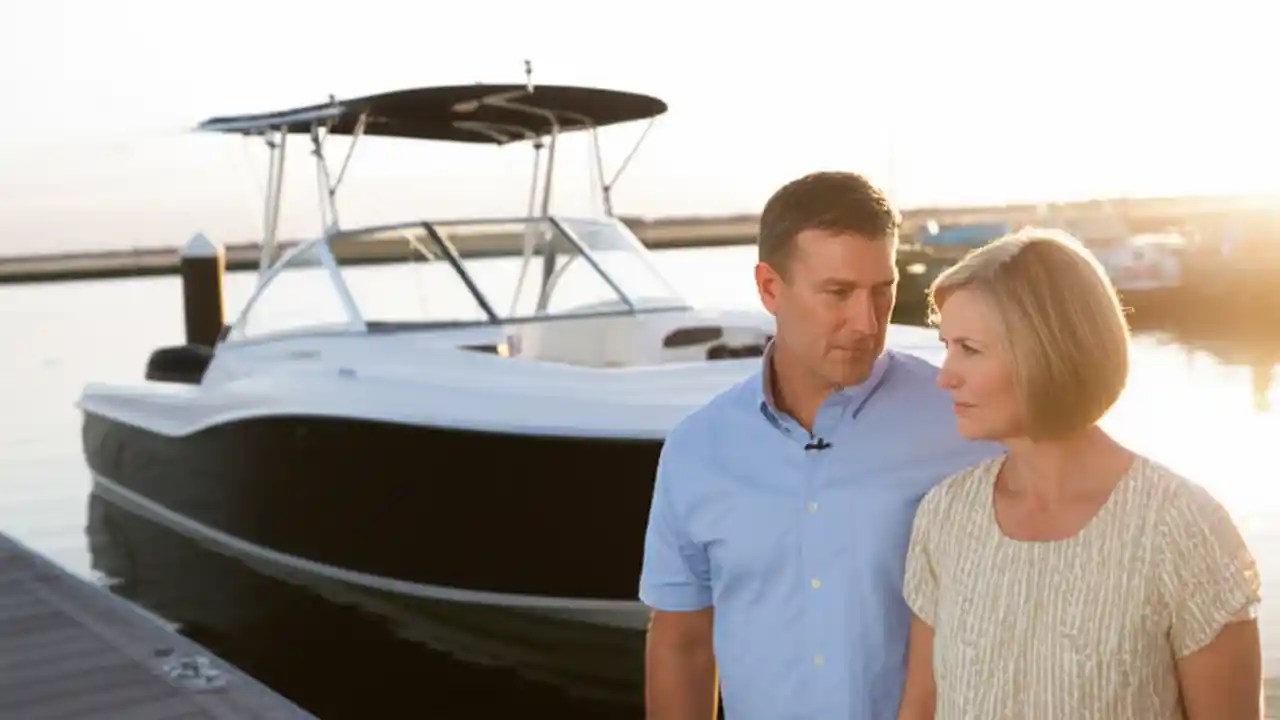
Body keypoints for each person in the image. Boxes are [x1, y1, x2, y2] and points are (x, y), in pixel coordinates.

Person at [638, 171, 1001, 719]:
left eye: (883, 291)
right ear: (768, 288)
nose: (867, 321)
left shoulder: (964, 423)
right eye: (838, 293)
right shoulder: (697, 449)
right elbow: (683, 639)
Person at [897, 227, 1264, 719]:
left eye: (970, 348)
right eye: (947, 345)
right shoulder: (945, 516)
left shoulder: (1183, 527)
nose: (945, 375)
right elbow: (922, 706)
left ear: (1044, 350)